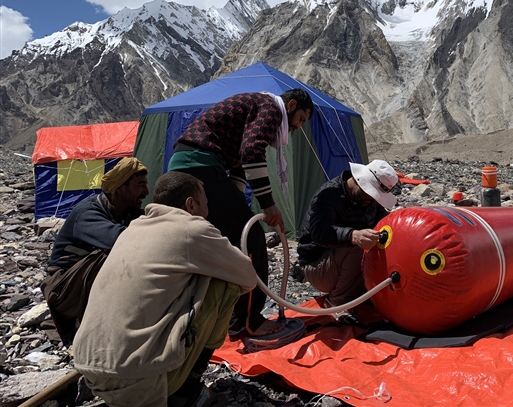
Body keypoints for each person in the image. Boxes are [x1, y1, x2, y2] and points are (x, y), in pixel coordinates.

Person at [73, 171, 258, 407]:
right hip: (142, 381)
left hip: (91, 373)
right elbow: (247, 277)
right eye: (206, 204)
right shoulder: (192, 229)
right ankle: (186, 389)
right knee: (224, 284)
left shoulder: (132, 229)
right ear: (191, 204)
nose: (208, 210)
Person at [168, 89, 313, 339]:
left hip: (187, 164)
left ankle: (210, 317)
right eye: (301, 118)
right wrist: (268, 205)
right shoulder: (271, 108)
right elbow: (251, 152)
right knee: (253, 236)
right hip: (201, 165)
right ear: (290, 106)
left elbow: (237, 166)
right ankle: (248, 323)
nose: (298, 127)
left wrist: (235, 208)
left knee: (224, 239)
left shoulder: (254, 107)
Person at [41, 157, 149, 345]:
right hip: (62, 288)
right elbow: (120, 239)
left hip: (80, 283)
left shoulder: (127, 212)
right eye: (140, 185)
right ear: (120, 188)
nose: (146, 192)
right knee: (111, 255)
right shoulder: (88, 213)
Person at [296, 160, 398, 311]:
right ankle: (337, 303)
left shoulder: (368, 200)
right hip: (318, 266)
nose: (371, 200)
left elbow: (383, 222)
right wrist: (353, 236)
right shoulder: (328, 195)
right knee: (358, 244)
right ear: (359, 181)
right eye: (370, 194)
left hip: (344, 265)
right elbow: (320, 231)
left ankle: (363, 292)